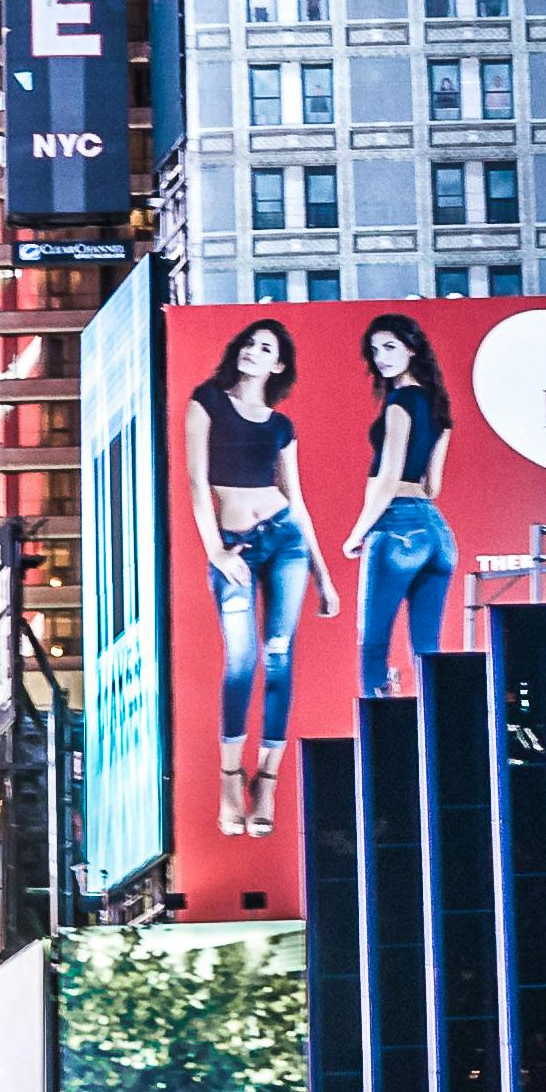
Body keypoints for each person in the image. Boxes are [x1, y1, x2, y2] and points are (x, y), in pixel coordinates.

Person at [197, 321, 329, 845]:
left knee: (280, 653)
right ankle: (231, 778)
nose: (254, 351)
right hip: (235, 546)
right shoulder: (207, 402)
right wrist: (215, 549)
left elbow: (297, 502)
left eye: (266, 348)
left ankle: (267, 780)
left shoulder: (281, 425)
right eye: (249, 342)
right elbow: (193, 481)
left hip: (288, 541)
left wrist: (324, 576)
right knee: (241, 660)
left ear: (278, 366)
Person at [349, 313, 468, 708]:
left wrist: (359, 532)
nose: (380, 357)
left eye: (390, 347)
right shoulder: (439, 409)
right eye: (375, 349)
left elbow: (388, 477)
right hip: (438, 535)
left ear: (411, 349)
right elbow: (433, 485)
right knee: (427, 649)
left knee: (373, 644)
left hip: (397, 526)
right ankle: (439, 734)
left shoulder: (399, 403)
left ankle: (378, 746)